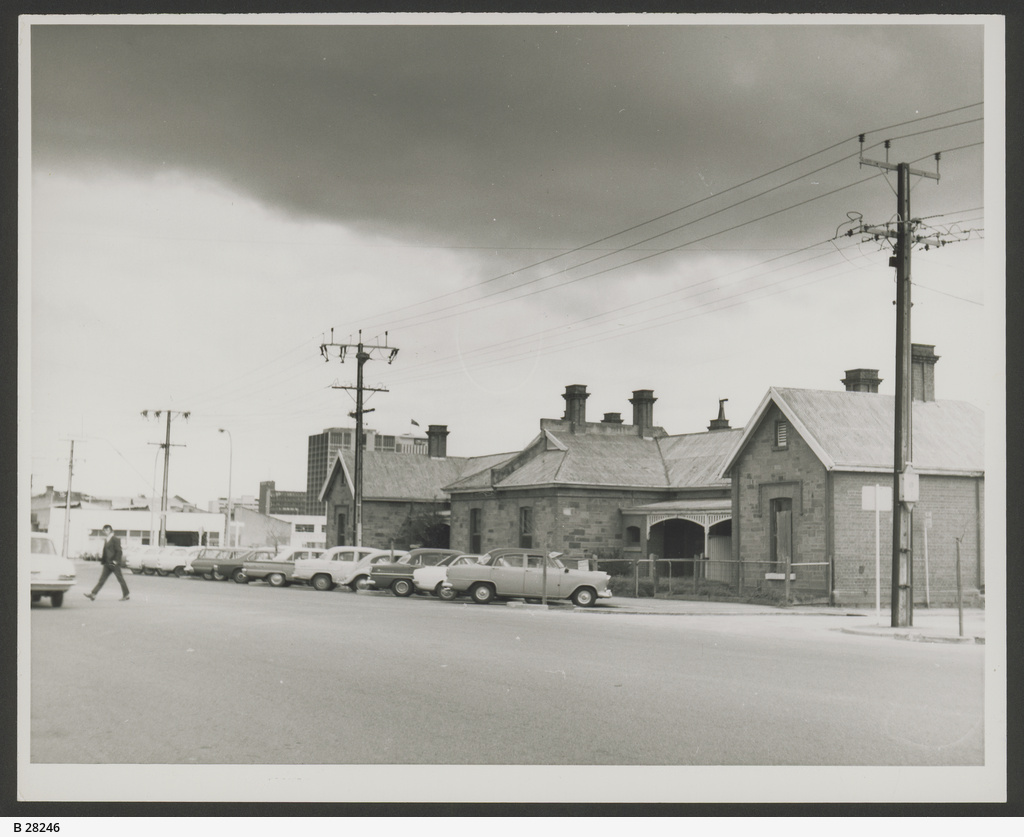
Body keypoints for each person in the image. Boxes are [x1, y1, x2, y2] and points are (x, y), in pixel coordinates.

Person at [85, 524, 130, 601]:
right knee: (102, 579)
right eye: (105, 530)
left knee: (120, 579)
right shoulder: (107, 539)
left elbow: (119, 551)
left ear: (111, 530)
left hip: (113, 563)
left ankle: (126, 594)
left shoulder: (115, 539)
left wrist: (115, 561)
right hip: (107, 563)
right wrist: (104, 561)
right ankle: (93, 594)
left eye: (107, 530)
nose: (106, 531)